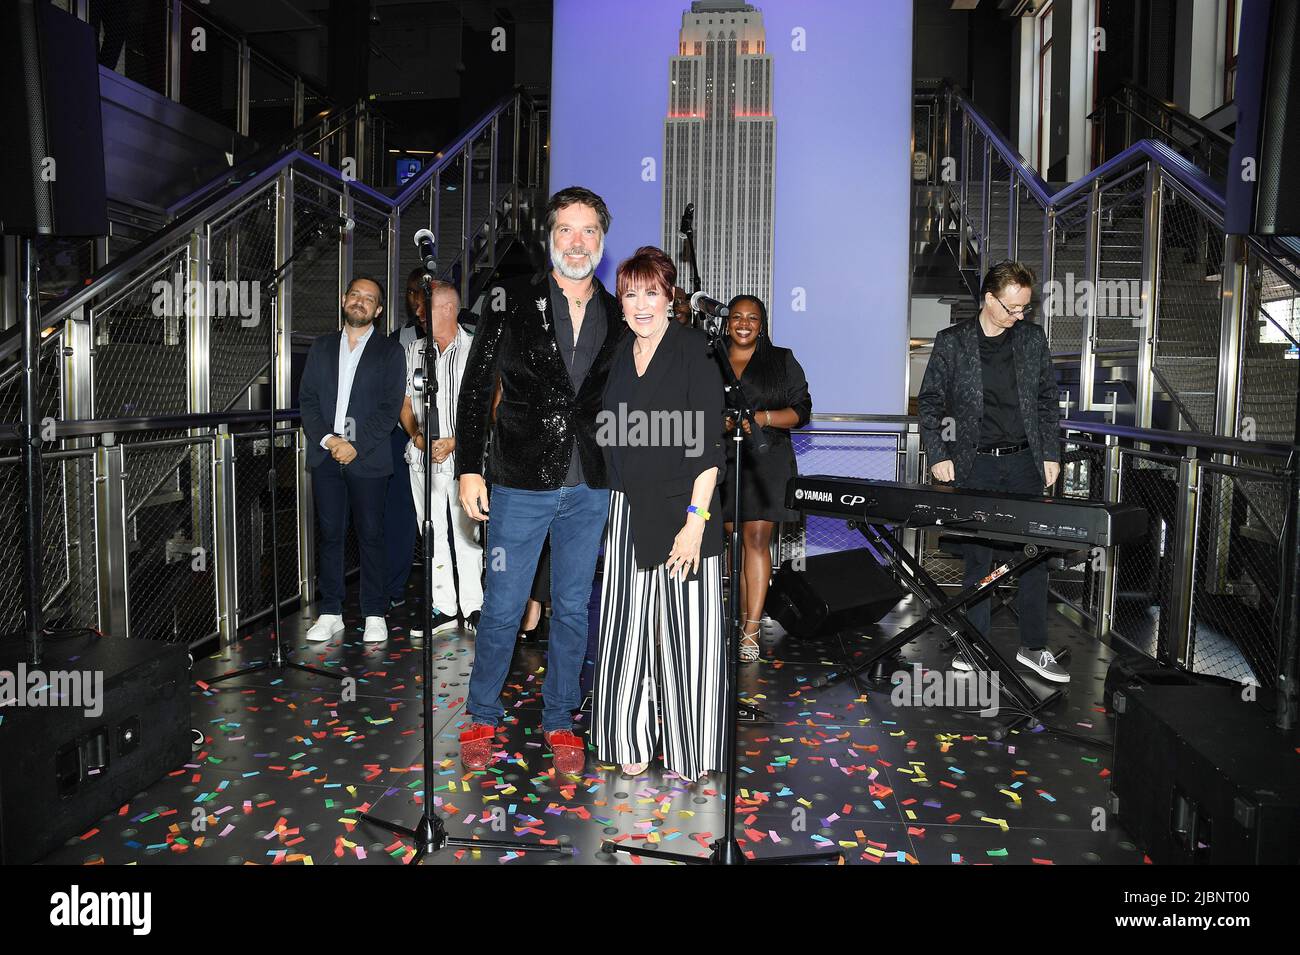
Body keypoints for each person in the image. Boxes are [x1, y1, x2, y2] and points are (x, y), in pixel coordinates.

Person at [455, 186, 626, 773]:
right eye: (566, 230)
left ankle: (559, 718)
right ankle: (481, 711)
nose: (577, 243)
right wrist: (469, 469)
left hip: (591, 485)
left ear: (602, 242)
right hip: (520, 479)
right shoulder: (510, 298)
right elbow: (476, 388)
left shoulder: (620, 311)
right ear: (549, 237)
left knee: (575, 607)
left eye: (588, 232)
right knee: (504, 603)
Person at [594, 246, 728, 782]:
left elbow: (707, 449)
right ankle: (629, 737)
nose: (641, 303)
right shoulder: (619, 352)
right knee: (627, 631)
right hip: (627, 512)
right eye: (630, 293)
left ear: (671, 296)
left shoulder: (696, 349)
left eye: (652, 292)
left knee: (687, 640)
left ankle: (688, 749)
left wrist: (695, 524)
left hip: (684, 512)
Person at [917, 259, 1068, 683]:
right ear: (988, 299)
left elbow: (1045, 403)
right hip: (973, 463)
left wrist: (1051, 453)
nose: (1019, 315)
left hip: (1025, 463)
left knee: (1035, 556)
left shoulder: (1033, 340)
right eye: (1012, 307)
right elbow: (929, 402)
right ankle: (975, 645)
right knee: (977, 558)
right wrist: (937, 453)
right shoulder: (953, 342)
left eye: (1024, 308)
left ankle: (1034, 649)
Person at [299, 276, 406, 644]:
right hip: (326, 455)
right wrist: (330, 439)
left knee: (371, 536)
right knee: (329, 536)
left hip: (369, 458)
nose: (360, 302)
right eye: (355, 295)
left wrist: (354, 444)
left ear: (378, 310)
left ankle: (374, 611)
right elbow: (308, 400)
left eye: (369, 298)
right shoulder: (323, 346)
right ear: (344, 300)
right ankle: (331, 611)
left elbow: (389, 408)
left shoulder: (390, 351)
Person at [720, 295, 812, 662]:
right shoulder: (711, 357)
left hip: (767, 457)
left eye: (752, 318)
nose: (744, 323)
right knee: (734, 541)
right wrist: (719, 422)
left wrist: (763, 419)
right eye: (737, 317)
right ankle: (737, 619)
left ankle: (751, 630)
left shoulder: (781, 359)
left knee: (756, 539)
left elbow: (802, 411)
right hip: (724, 457)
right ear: (727, 322)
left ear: (763, 324)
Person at [399, 279, 481, 633]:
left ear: (448, 309)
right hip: (422, 460)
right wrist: (416, 436)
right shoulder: (413, 350)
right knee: (431, 534)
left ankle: (474, 607)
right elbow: (404, 403)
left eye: (425, 307)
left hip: (465, 463)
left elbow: (490, 405)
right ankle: (444, 608)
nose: (418, 313)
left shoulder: (476, 348)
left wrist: (457, 441)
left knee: (467, 534)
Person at [383, 268, 430, 609]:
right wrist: (414, 434)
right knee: (400, 520)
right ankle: (394, 589)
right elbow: (393, 397)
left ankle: (452, 597)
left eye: (427, 291)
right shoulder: (396, 341)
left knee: (450, 522)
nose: (420, 298)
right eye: (415, 291)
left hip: (450, 447)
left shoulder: (464, 335)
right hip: (404, 446)